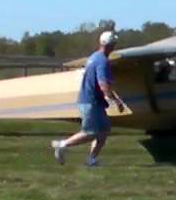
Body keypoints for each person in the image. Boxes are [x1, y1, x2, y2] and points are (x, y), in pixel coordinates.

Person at [51, 30, 125, 168]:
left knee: (103, 131)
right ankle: (62, 145)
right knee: (90, 133)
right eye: (114, 44)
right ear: (110, 45)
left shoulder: (93, 57)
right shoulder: (102, 61)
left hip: (93, 101)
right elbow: (103, 85)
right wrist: (116, 101)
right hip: (91, 102)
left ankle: (91, 159)